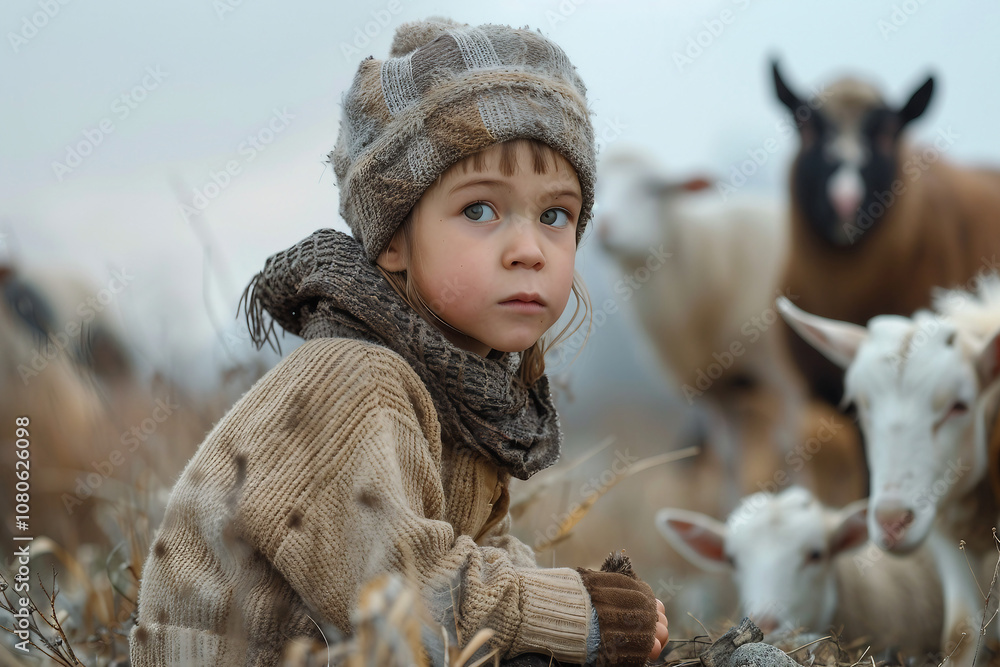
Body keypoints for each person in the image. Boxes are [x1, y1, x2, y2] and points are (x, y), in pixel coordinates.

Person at [129, 16, 669, 666]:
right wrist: (581, 614)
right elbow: (409, 604)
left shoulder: (467, 387)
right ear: (391, 238)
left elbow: (475, 551)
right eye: (480, 210)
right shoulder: (354, 379)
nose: (529, 249)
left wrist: (580, 607)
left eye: (555, 215)